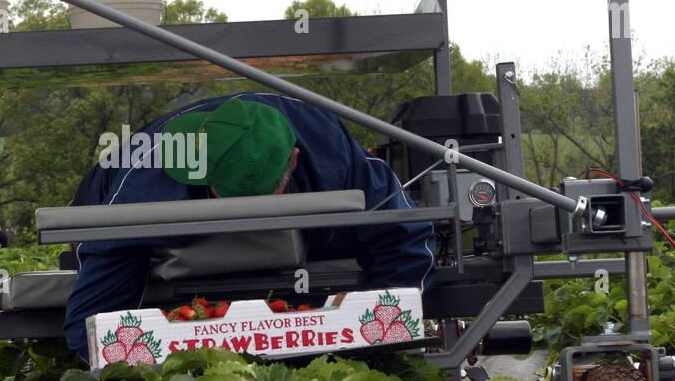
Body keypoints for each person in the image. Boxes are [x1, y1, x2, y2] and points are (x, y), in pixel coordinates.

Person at [62, 92, 436, 359]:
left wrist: (372, 343)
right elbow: (94, 321)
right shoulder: (145, 181)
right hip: (113, 198)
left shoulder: (331, 151)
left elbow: (402, 240)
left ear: (293, 160)